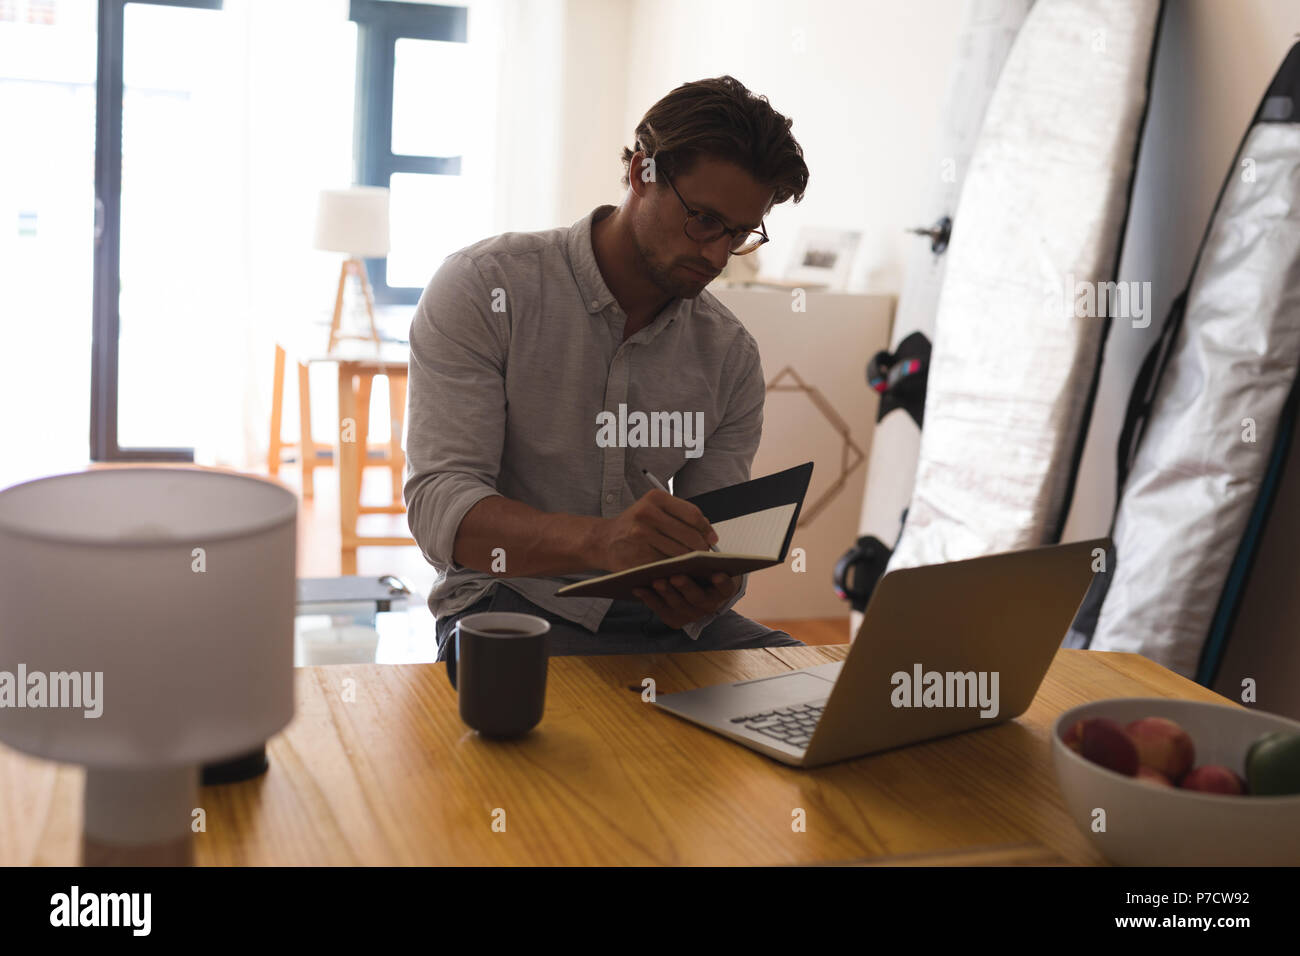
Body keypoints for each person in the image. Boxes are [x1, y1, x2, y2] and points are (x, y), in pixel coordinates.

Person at [404, 75, 811, 660]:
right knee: (574, 744)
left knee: (820, 700)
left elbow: (716, 534)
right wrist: (600, 542)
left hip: (670, 627)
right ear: (642, 172)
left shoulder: (730, 356)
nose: (717, 255)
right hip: (511, 604)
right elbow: (440, 505)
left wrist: (712, 587)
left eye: (741, 234)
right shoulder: (486, 287)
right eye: (705, 220)